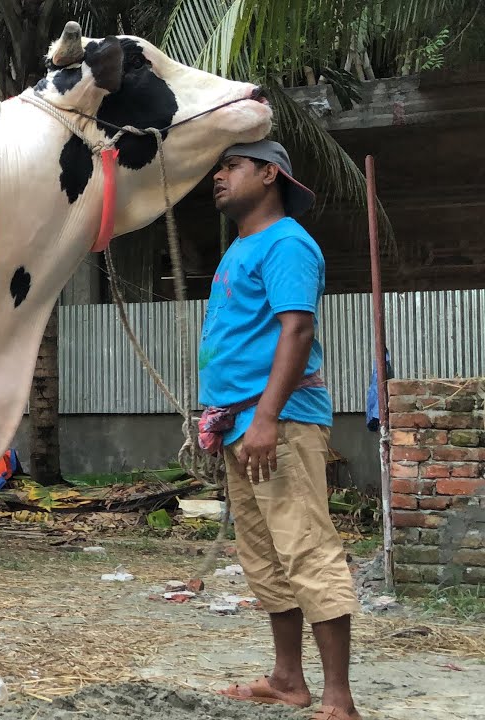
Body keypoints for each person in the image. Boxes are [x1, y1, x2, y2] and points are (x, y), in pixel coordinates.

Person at [198, 139, 362, 720]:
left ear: (270, 174)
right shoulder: (242, 247)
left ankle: (339, 699)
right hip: (242, 422)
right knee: (264, 557)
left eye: (232, 166)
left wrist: (265, 417)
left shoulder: (288, 242)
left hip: (279, 422)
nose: (217, 176)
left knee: (306, 549)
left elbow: (296, 331)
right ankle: (288, 680)